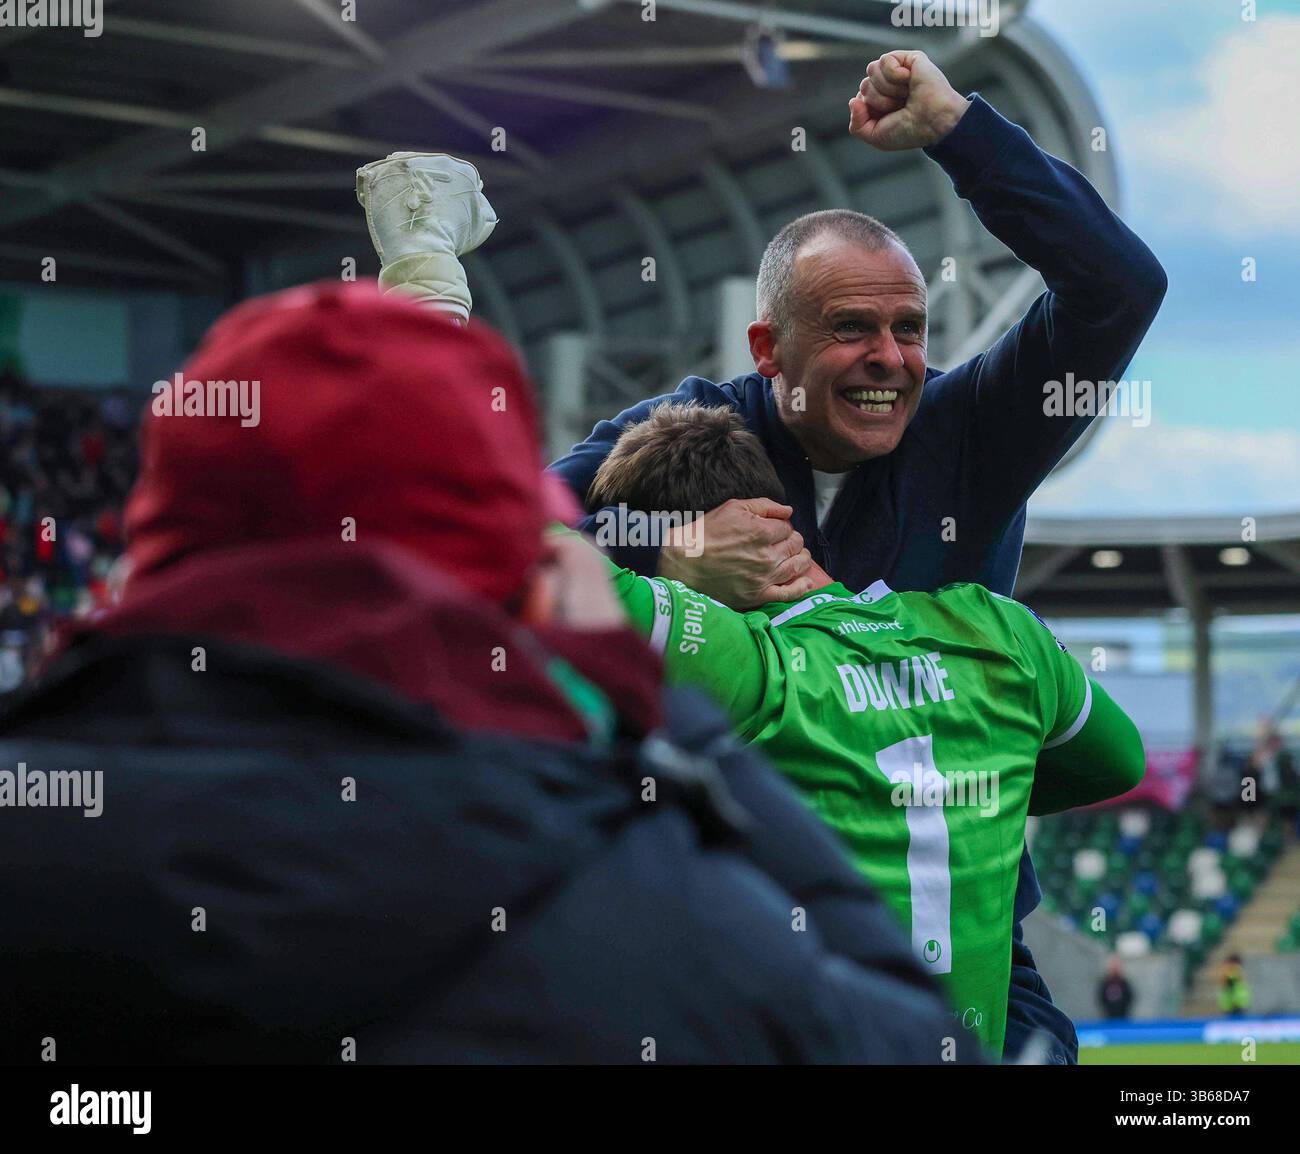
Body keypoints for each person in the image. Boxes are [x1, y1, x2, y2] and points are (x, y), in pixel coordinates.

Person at [357, 48, 1167, 1063]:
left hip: (957, 906)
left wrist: (963, 132)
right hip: (736, 899)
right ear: (766, 347)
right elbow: (505, 531)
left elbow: (1120, 287)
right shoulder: (684, 436)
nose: (889, 359)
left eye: (909, 329)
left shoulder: (971, 426)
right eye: (850, 329)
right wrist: (673, 543)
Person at [0, 283, 967, 1065]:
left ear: (147, 550)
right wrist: (665, 720)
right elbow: (921, 1045)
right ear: (530, 584)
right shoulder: (647, 917)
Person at [571, 401, 1146, 1056]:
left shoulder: (747, 666)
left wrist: (655, 547)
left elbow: (519, 549)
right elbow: (1121, 761)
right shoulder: (1001, 631)